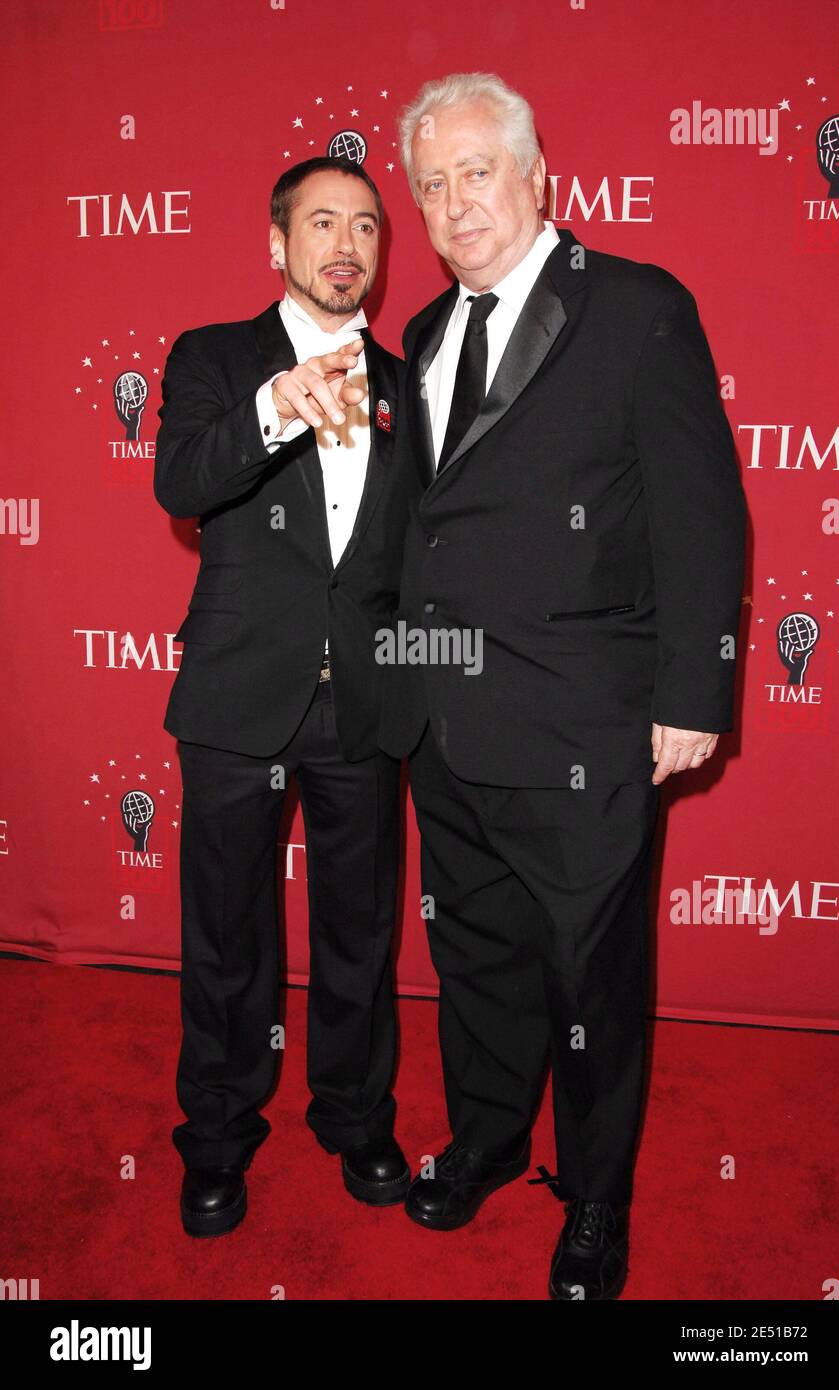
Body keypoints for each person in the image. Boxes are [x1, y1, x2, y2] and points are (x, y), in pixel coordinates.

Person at [380, 73, 747, 1299]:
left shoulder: (638, 308)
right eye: (428, 184)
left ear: (537, 177)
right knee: (477, 962)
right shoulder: (425, 337)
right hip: (451, 722)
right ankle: (486, 1140)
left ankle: (595, 1197)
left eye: (474, 171)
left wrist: (692, 692)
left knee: (591, 978)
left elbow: (704, 516)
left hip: (587, 728)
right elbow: (429, 541)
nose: (449, 202)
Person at [154, 156, 418, 1237]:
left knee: (358, 932)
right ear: (278, 243)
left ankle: (355, 1114)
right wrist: (275, 407)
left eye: (364, 225)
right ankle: (217, 1133)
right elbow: (182, 480)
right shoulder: (215, 359)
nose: (345, 243)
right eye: (321, 223)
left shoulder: (410, 384)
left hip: (364, 702)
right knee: (227, 935)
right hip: (236, 699)